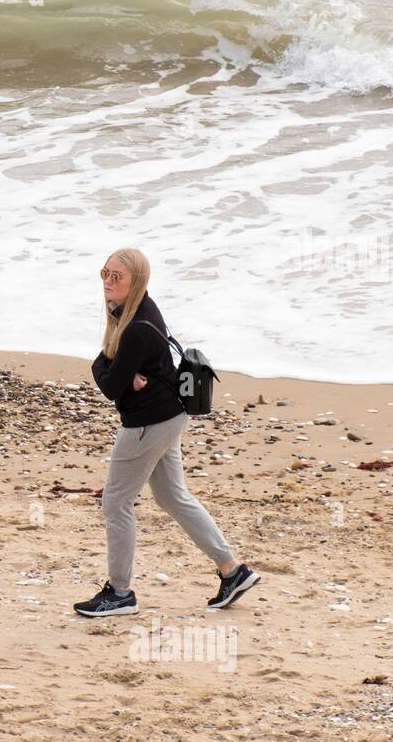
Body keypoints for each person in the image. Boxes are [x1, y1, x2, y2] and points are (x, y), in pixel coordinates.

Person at [74, 248, 261, 617]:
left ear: (137, 282)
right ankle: (233, 570)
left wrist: (117, 374)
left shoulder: (137, 328)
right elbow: (110, 370)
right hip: (169, 415)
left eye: (117, 277)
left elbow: (108, 383)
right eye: (105, 274)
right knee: (172, 497)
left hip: (148, 423)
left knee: (116, 502)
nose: (108, 282)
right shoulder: (133, 310)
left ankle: (120, 593)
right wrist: (121, 375)